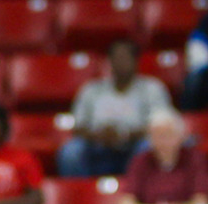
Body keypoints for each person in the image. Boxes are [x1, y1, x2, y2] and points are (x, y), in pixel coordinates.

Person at [59, 40, 172, 177]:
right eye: (116, 58)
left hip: (134, 146)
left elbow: (162, 126)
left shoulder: (152, 88)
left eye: (125, 57)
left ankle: (141, 193)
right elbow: (78, 128)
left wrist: (124, 135)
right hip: (97, 147)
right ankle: (79, 194)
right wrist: (99, 135)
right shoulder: (92, 89)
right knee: (71, 151)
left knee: (148, 147)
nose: (120, 62)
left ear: (136, 61)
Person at [103, 110, 208, 204]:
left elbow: (202, 201)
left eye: (167, 135)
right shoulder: (140, 160)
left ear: (180, 136)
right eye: (156, 136)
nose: (161, 141)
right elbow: (125, 203)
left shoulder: (194, 159)